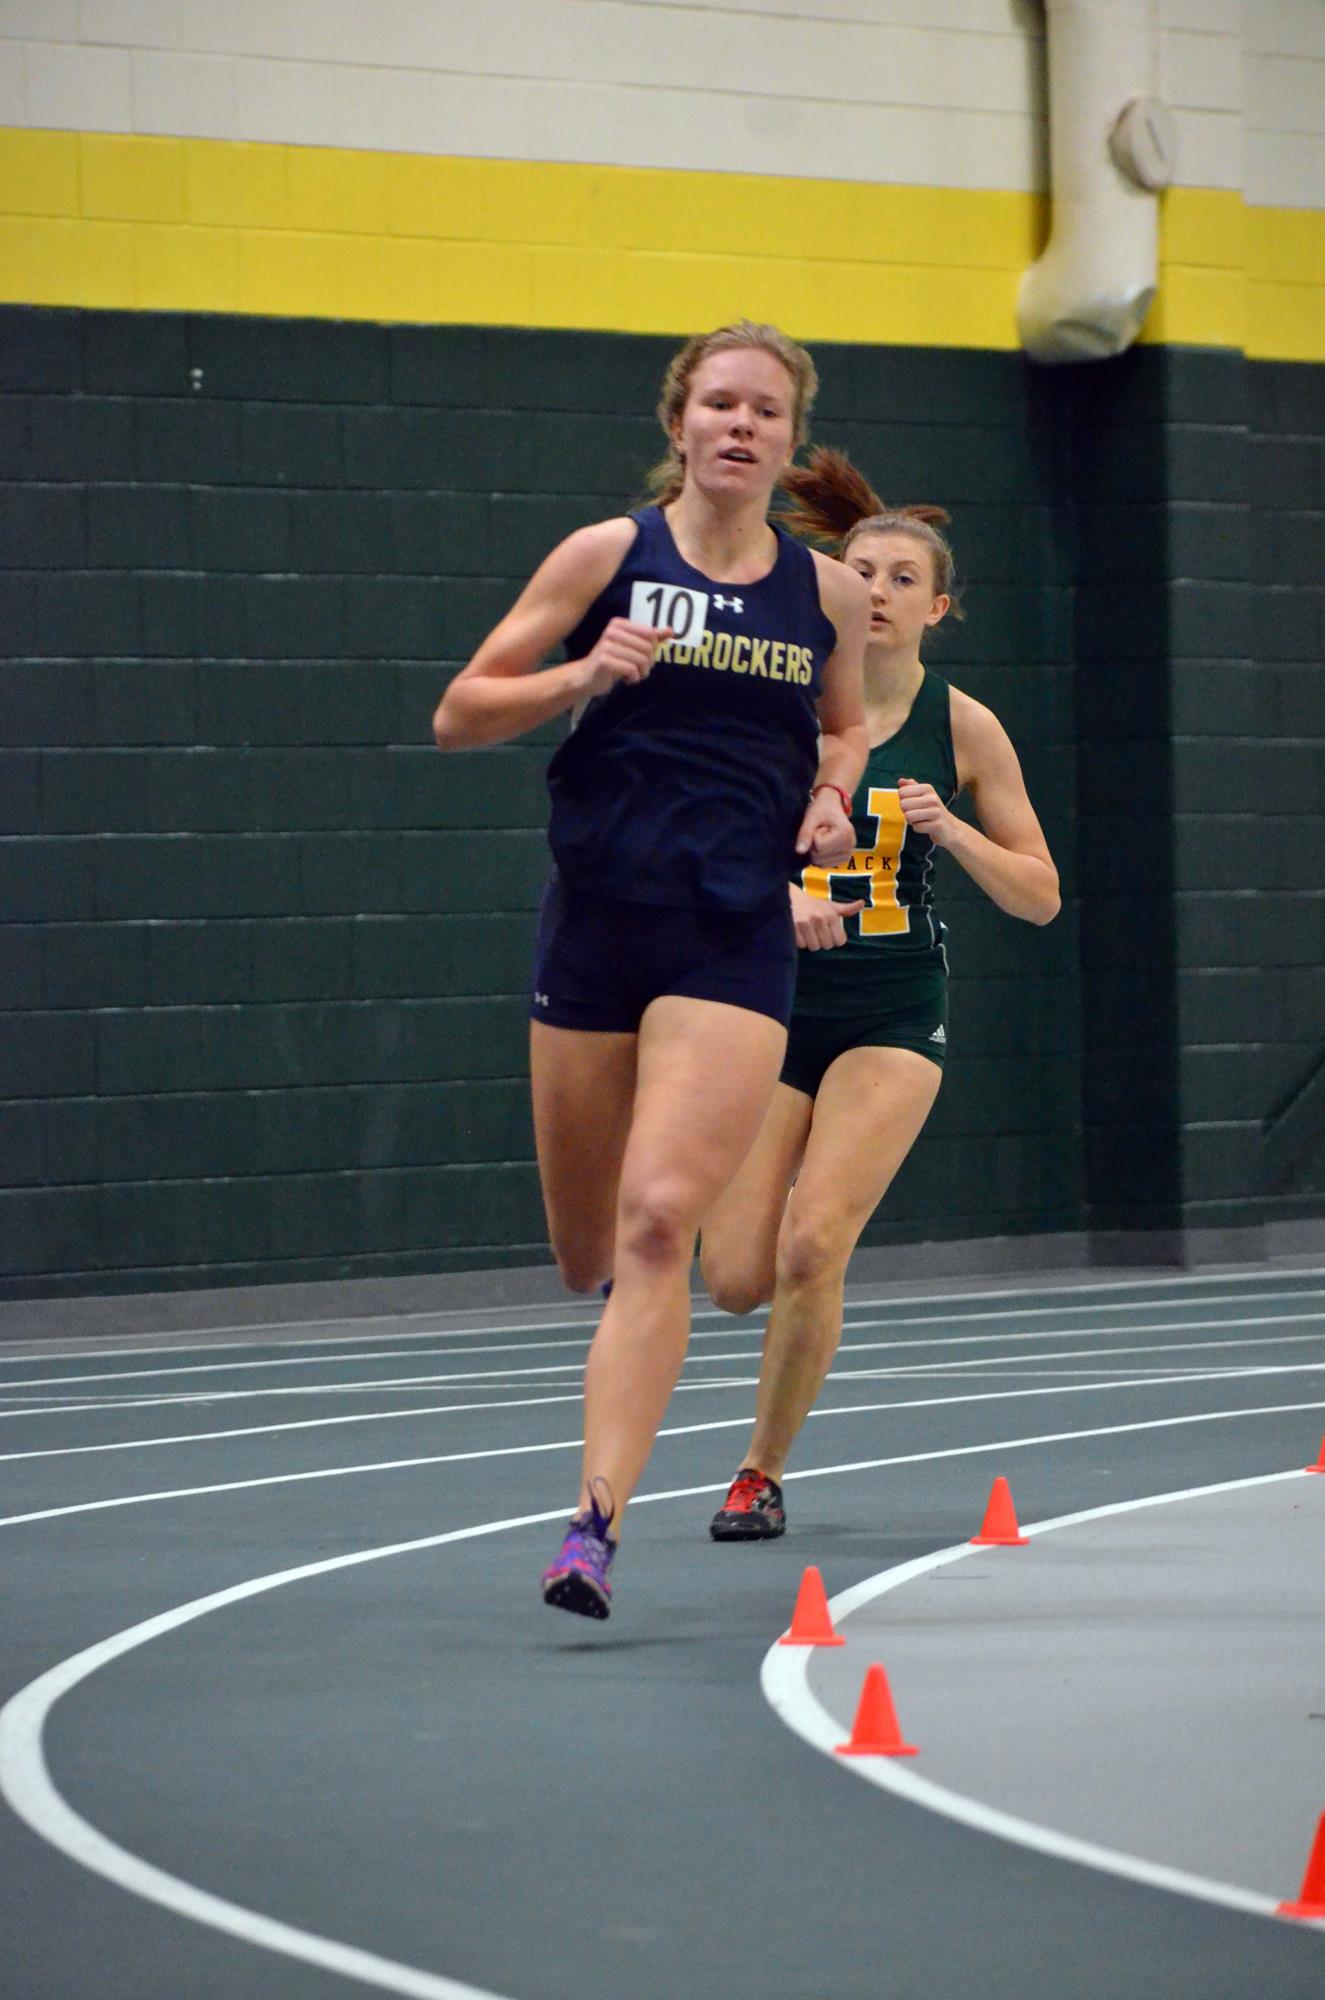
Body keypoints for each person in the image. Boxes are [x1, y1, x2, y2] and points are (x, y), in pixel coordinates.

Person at [432, 324, 870, 1616]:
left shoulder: (824, 593)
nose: (741, 425)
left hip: (730, 930)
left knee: (655, 1221)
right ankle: (622, 1318)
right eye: (719, 404)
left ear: (790, 440)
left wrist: (833, 799)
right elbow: (460, 711)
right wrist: (584, 670)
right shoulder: (607, 556)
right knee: (586, 1253)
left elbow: (842, 725)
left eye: (766, 411)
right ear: (680, 422)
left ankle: (593, 1526)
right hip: (599, 921)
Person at [698, 448, 1061, 1540]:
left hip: (892, 1011)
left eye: (906, 577)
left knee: (815, 1245)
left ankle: (758, 1471)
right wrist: (773, 896)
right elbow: (699, 847)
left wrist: (953, 828)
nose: (882, 591)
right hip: (768, 1005)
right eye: (865, 571)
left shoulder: (962, 725)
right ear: (834, 588)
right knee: (733, 1280)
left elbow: (1040, 894)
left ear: (936, 605)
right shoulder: (778, 702)